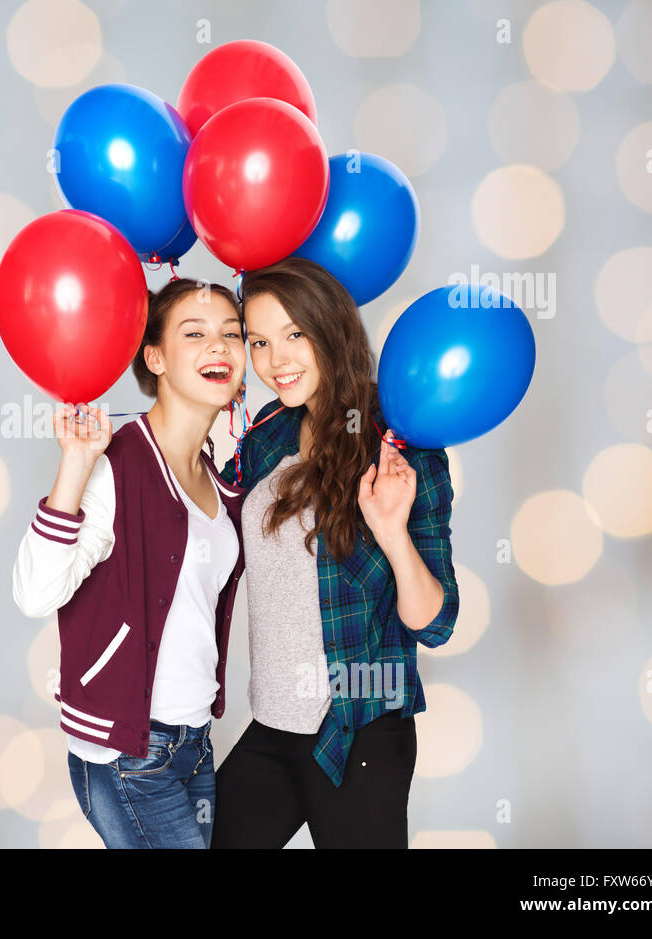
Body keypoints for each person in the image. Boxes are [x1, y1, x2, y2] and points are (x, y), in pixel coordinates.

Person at [212, 257, 459, 849]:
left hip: (357, 732)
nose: (277, 361)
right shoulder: (269, 429)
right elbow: (207, 525)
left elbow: (436, 623)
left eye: (295, 335)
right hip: (274, 724)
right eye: (260, 341)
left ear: (331, 329)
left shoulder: (399, 443)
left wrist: (392, 529)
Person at [12, 277, 247, 848]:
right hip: (127, 751)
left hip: (193, 743)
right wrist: (76, 464)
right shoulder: (118, 464)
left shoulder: (224, 484)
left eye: (232, 334)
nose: (219, 347)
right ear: (156, 357)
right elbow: (36, 593)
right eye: (195, 334)